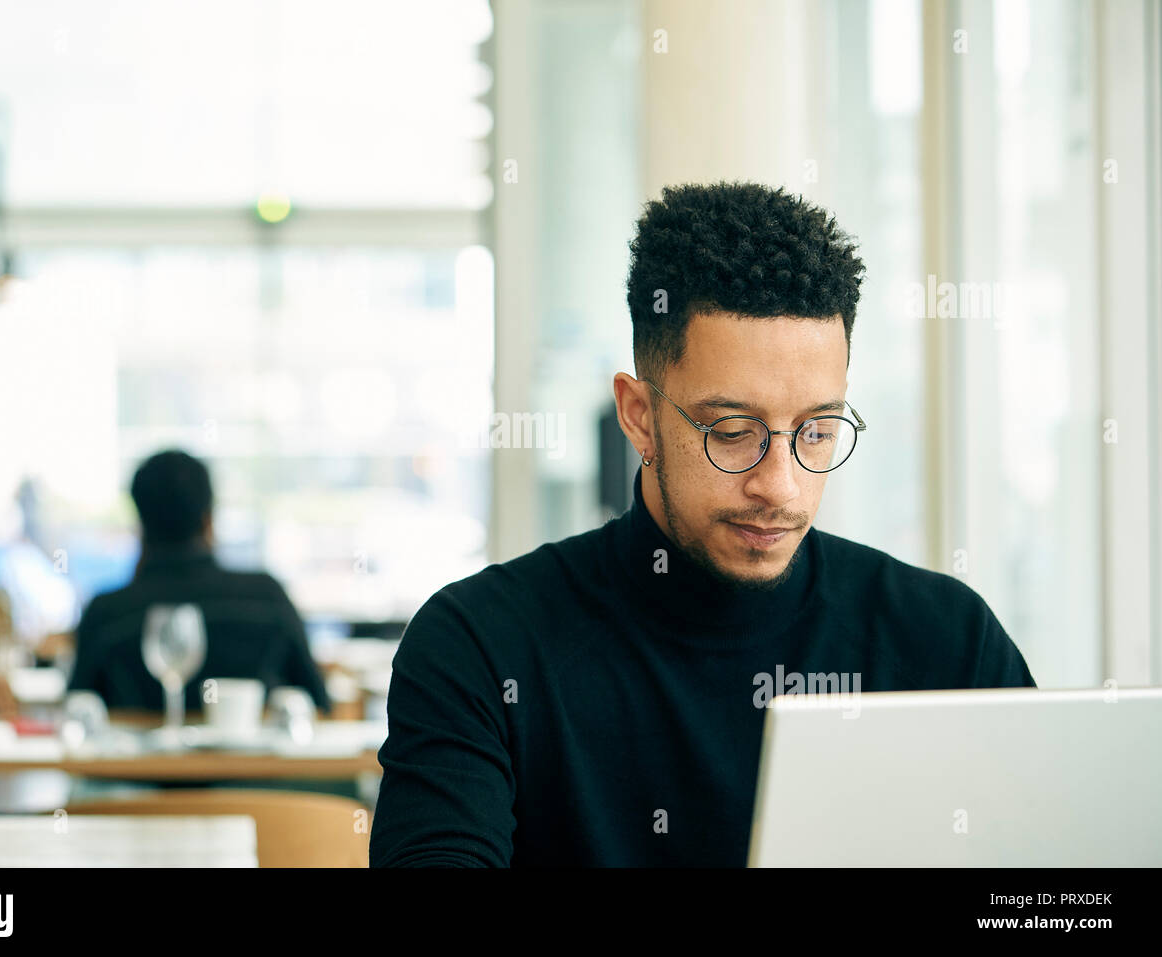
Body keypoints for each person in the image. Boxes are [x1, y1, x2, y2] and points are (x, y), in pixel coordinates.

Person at [370, 181, 1036, 867]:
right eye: (730, 430)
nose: (780, 485)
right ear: (637, 415)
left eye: (816, 429)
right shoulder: (481, 645)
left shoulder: (947, 641)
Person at [67, 450, 331, 716]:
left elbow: (78, 715)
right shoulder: (266, 597)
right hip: (253, 759)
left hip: (143, 759)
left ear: (140, 522)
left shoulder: (105, 613)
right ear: (209, 518)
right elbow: (319, 706)